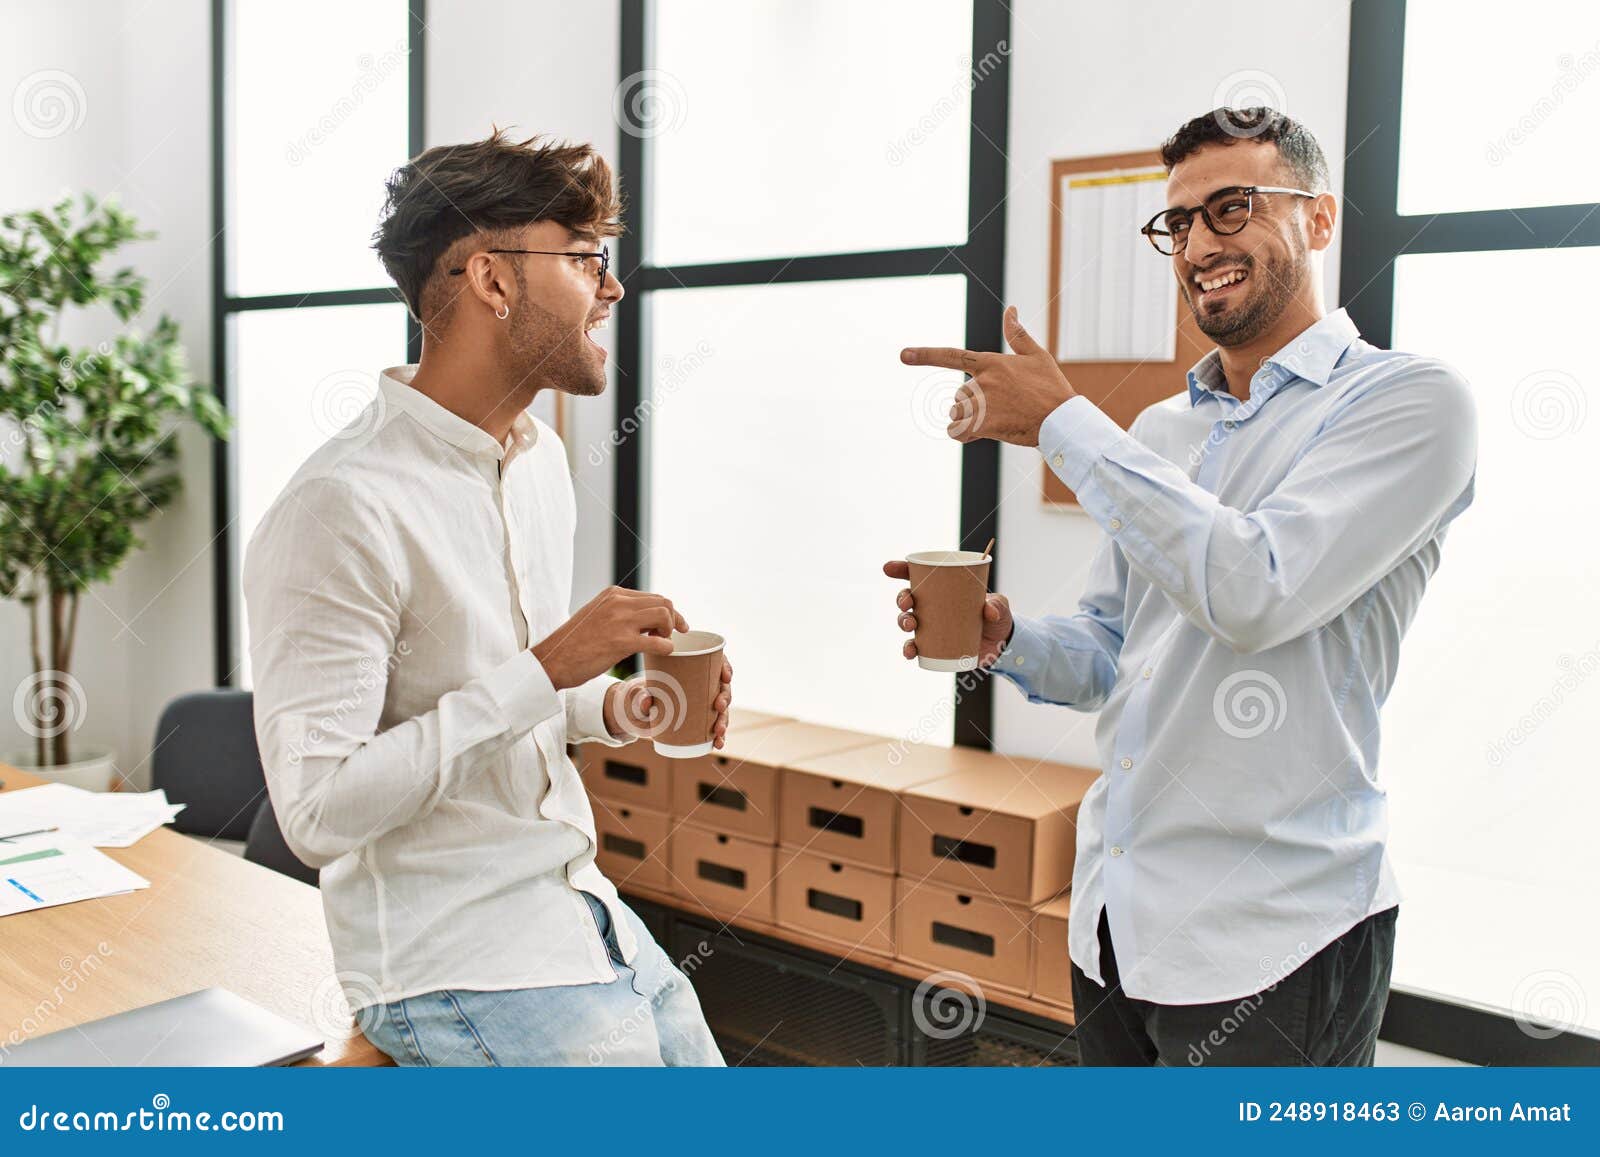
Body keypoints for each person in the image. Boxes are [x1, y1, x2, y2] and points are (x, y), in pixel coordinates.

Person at [888, 107, 1477, 1065]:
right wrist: (1008, 638)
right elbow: (1117, 647)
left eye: (1232, 208)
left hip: (1277, 938)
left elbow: (1254, 587)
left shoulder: (1407, 402)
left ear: (1319, 219)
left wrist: (1067, 424)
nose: (1199, 244)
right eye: (1179, 223)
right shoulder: (1162, 432)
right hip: (1117, 922)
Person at [244, 130, 728, 1066]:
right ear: (493, 282)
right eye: (586, 258)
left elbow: (507, 704)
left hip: (586, 921)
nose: (613, 286)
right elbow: (316, 813)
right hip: (455, 963)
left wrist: (618, 701)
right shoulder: (340, 506)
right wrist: (549, 668)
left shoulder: (539, 462)